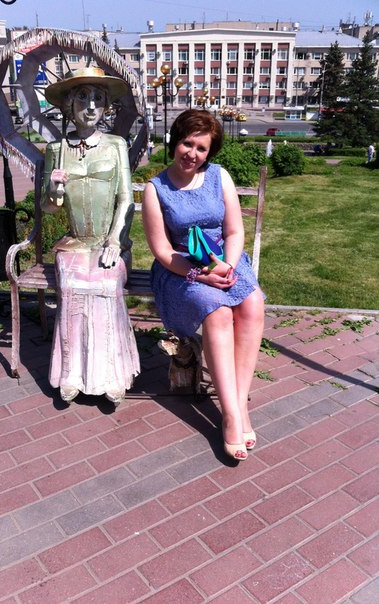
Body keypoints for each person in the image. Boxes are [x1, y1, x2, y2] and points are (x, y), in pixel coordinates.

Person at [142, 109, 265, 461]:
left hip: (225, 259)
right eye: (187, 143)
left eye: (201, 148)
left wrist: (226, 265)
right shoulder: (156, 189)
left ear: (210, 152)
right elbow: (163, 251)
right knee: (218, 313)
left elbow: (235, 231)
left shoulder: (219, 176)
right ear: (175, 141)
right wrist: (200, 274)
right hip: (181, 269)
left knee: (253, 305)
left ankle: (238, 405)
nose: (192, 154)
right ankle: (230, 418)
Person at [42, 66, 140, 404]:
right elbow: (49, 208)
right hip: (75, 243)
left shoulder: (116, 145)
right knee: (70, 286)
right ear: (69, 104)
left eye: (98, 98)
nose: (91, 105)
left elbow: (126, 199)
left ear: (107, 106)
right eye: (83, 97)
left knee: (107, 284)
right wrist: (54, 189)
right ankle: (71, 373)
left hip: (109, 242)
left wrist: (115, 240)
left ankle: (113, 373)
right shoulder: (56, 150)